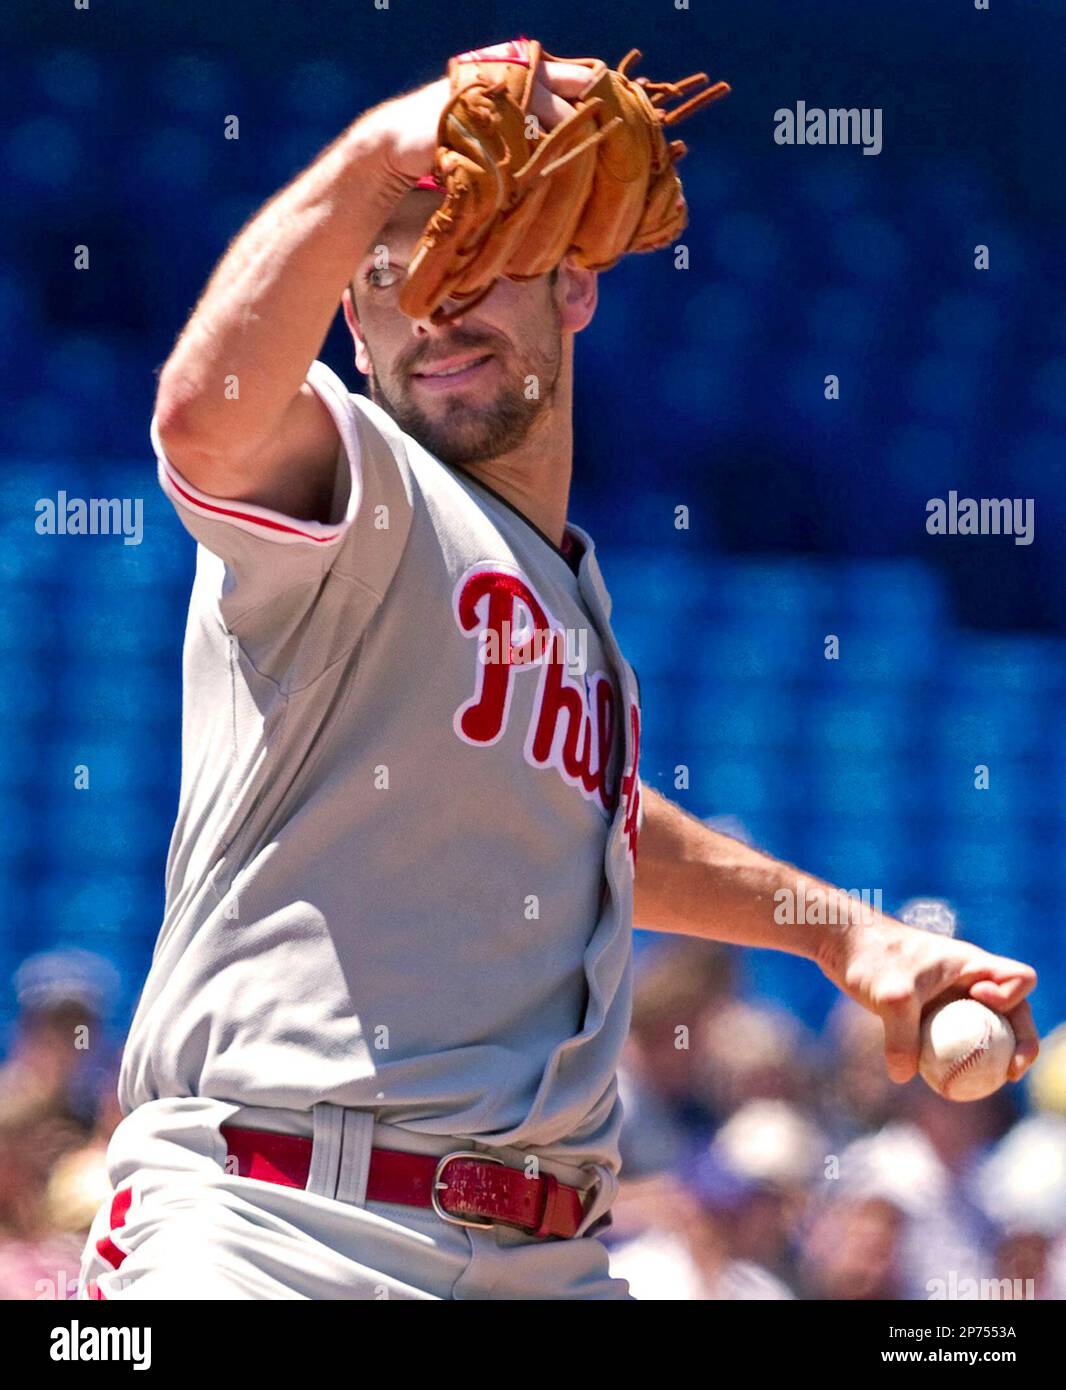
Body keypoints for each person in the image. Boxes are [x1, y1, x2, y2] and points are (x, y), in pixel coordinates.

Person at [78, 42, 1039, 1301]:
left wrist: (845, 936)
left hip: (552, 1256)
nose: (435, 302)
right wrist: (377, 155)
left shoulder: (568, 609)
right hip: (281, 1228)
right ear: (352, 328)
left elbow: (592, 824)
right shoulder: (359, 489)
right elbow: (201, 421)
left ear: (575, 281)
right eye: (392, 277)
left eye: (477, 259)